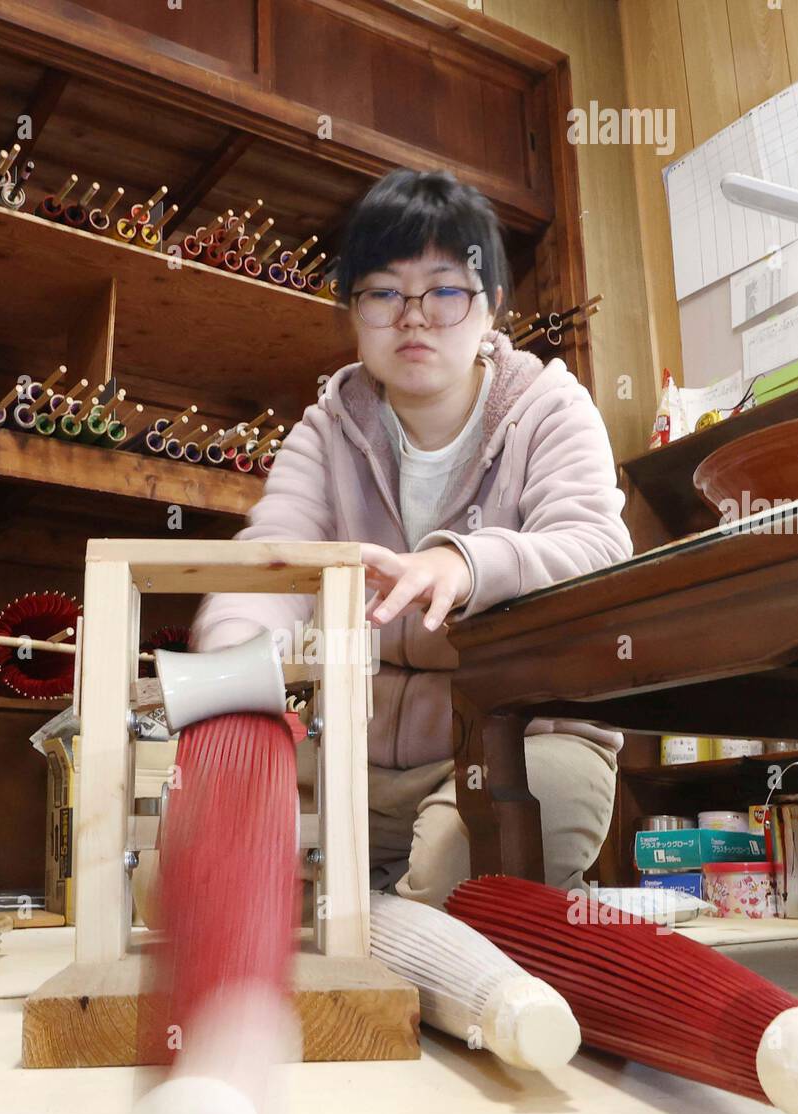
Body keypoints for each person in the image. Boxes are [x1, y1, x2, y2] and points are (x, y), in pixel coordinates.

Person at [190, 167, 634, 918]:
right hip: (348, 759)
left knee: (460, 876)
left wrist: (463, 562)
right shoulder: (328, 426)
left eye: (445, 289)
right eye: (383, 292)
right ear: (352, 312)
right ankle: (367, 904)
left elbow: (594, 547)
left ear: (490, 305)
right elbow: (270, 564)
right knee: (181, 863)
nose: (414, 317)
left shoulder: (549, 406)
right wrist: (230, 692)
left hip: (515, 743)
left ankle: (388, 906)